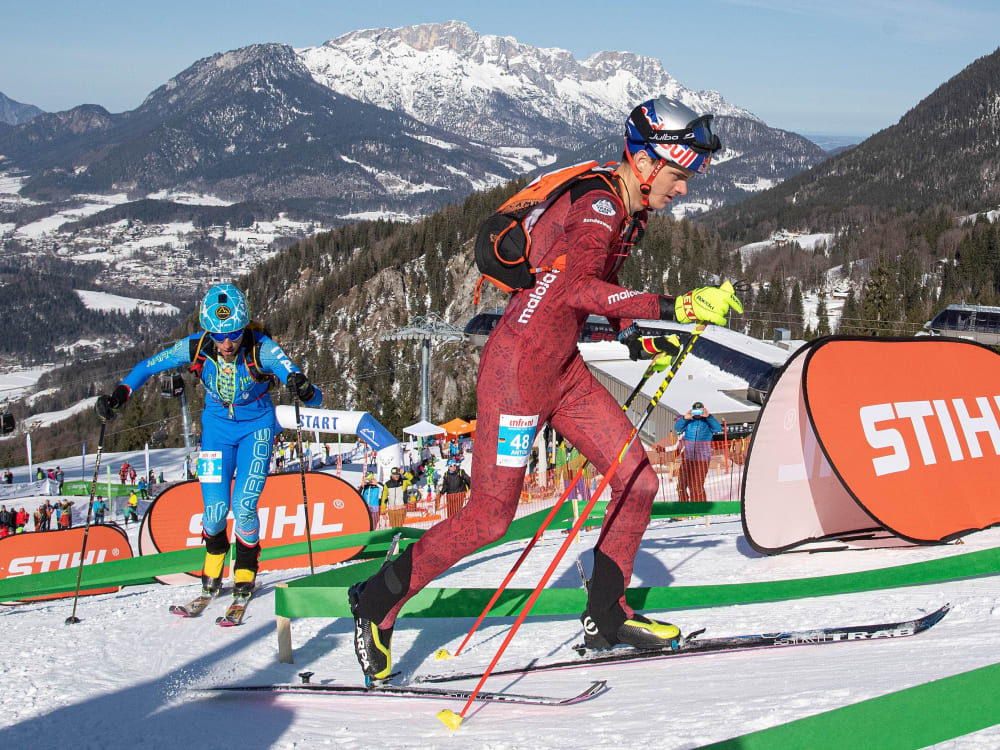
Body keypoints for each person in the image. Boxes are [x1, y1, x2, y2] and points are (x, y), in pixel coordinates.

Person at [347, 96, 742, 681]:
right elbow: (579, 289)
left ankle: (607, 614)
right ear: (648, 164)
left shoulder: (627, 211)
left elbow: (583, 293)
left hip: (563, 374)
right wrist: (673, 306)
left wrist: (638, 338)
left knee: (635, 479)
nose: (683, 190)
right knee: (489, 517)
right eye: (680, 176)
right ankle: (377, 598)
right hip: (516, 378)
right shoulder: (602, 203)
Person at [94, 283, 322, 598]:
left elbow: (307, 389)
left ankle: (245, 565)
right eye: (218, 335)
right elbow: (149, 366)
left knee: (244, 507)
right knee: (214, 511)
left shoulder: (263, 349)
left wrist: (305, 388)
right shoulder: (196, 347)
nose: (227, 343)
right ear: (208, 332)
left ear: (245, 328)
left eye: (234, 334)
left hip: (256, 428)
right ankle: (215, 553)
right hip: (216, 430)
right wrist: (121, 394)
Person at [674, 401, 722, 504]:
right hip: (688, 458)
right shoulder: (689, 421)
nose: (697, 414)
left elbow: (718, 428)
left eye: (699, 411)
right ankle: (684, 509)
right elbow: (678, 428)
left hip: (702, 459)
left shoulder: (708, 422)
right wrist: (685, 418)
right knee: (681, 485)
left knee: (696, 486)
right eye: (695, 411)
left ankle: (699, 509)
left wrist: (708, 416)